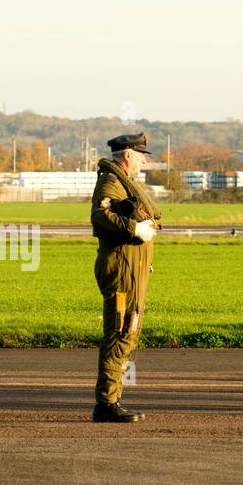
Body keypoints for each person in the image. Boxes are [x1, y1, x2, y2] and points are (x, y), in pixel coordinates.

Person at [90, 132, 161, 422]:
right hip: (122, 273)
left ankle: (113, 399)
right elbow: (100, 216)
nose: (144, 160)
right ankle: (106, 404)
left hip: (133, 271)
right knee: (119, 333)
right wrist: (134, 230)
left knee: (128, 334)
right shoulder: (111, 182)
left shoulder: (123, 182)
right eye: (141, 154)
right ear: (127, 155)